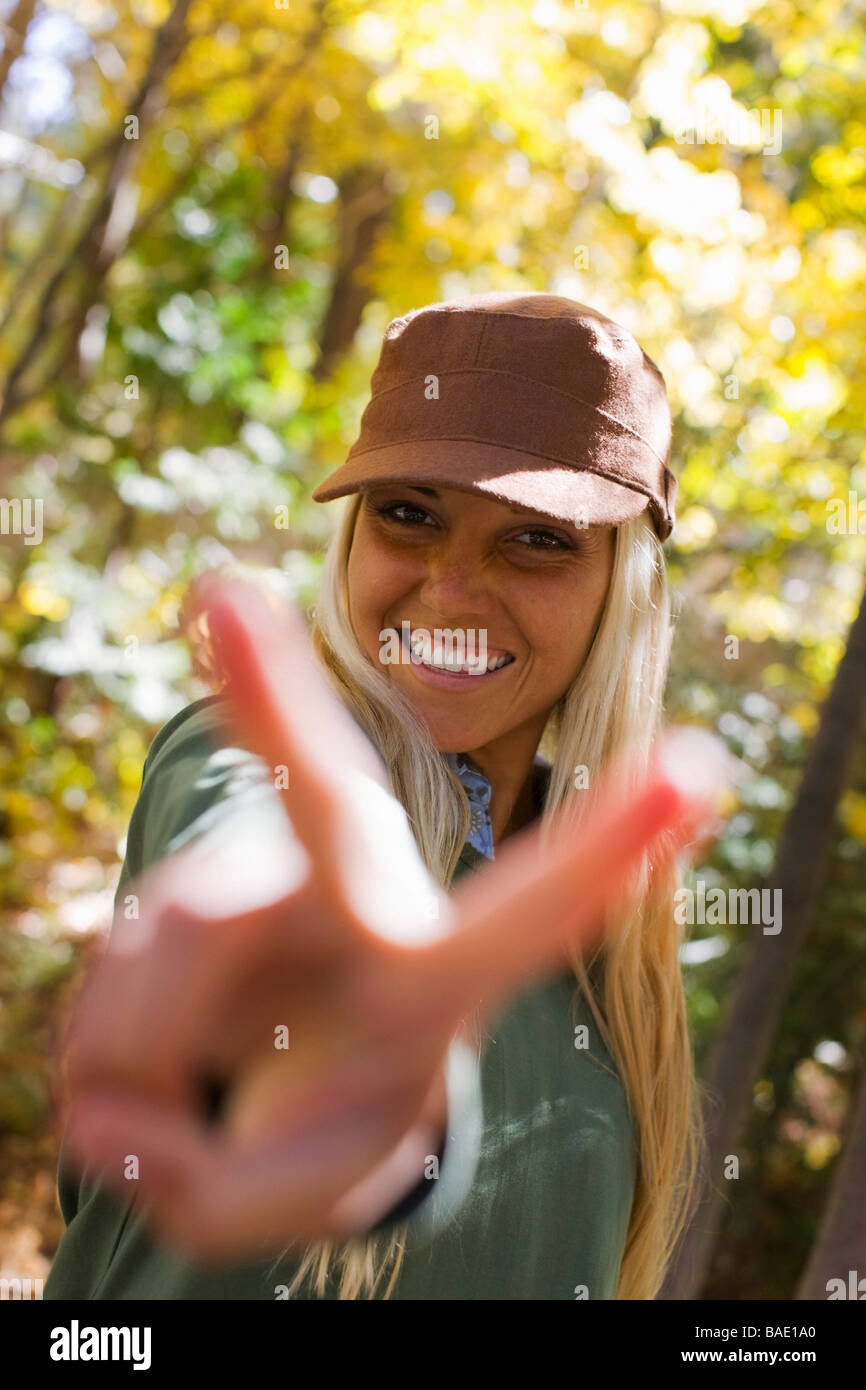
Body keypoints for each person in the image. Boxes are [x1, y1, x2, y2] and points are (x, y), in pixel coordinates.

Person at [45, 291, 723, 1301]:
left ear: (619, 590)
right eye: (409, 515)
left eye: (535, 539)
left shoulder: (592, 918)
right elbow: (251, 831)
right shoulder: (250, 758)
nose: (451, 588)